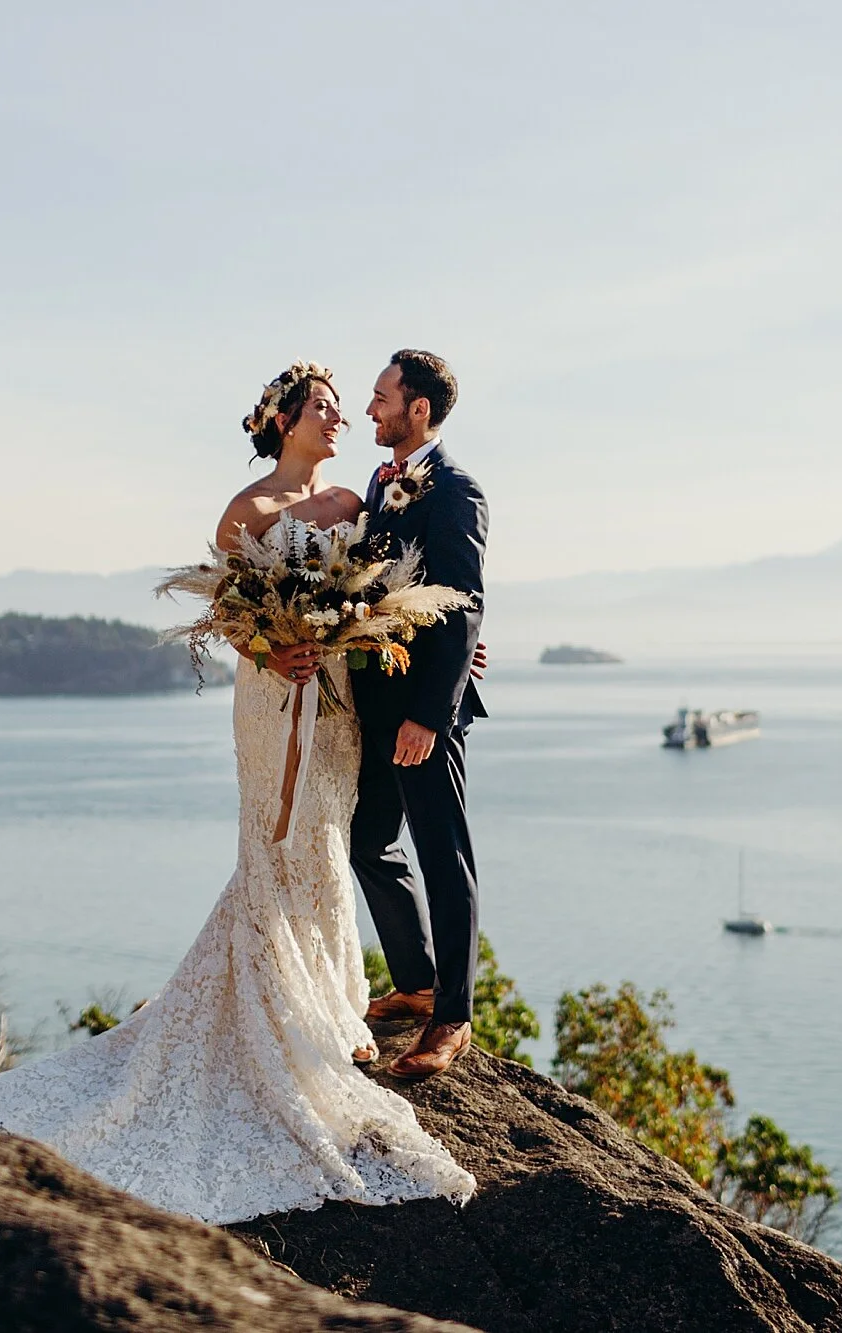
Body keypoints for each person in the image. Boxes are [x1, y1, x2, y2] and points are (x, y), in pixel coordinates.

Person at [0, 361, 475, 1226]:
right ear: (285, 420)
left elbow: (409, 587)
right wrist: (273, 650)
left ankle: (330, 1004)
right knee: (281, 841)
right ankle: (286, 1012)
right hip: (274, 696)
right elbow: (231, 615)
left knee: (328, 840)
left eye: (350, 406)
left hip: (337, 701)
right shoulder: (247, 511)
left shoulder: (359, 502)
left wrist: (449, 646)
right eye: (325, 407)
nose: (342, 418)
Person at [349, 349, 488, 1079]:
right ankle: (416, 981)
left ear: (418, 409)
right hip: (373, 699)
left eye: (381, 397)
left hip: (423, 715)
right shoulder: (380, 484)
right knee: (366, 840)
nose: (371, 409)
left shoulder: (456, 490)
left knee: (443, 853)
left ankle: (453, 1017)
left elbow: (462, 604)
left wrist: (432, 714)